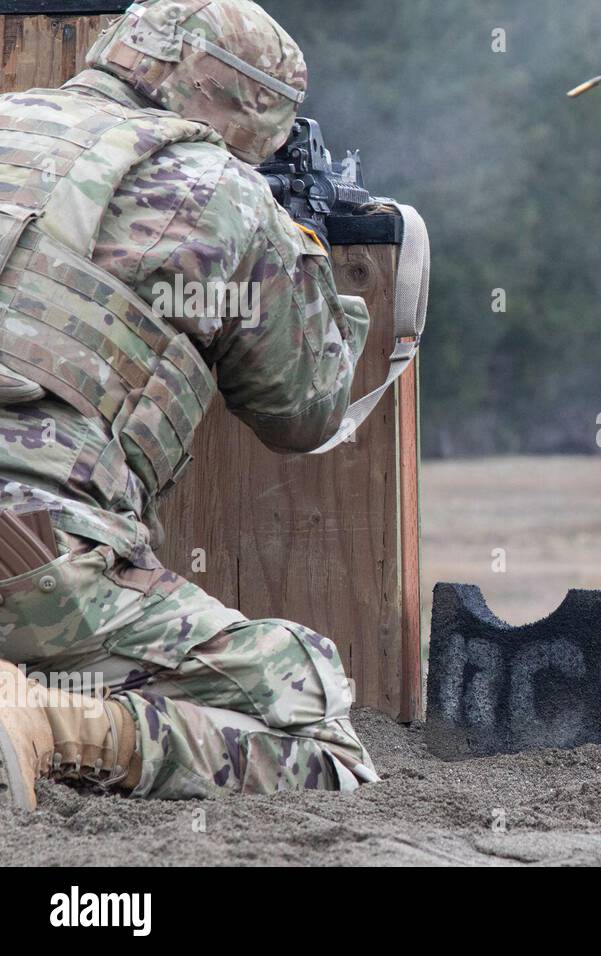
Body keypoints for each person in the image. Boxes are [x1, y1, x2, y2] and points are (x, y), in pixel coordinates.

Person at [0, 0, 377, 809]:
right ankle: (51, 724)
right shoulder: (224, 192)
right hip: (29, 565)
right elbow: (305, 410)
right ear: (235, 104)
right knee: (320, 734)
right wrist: (300, 244)